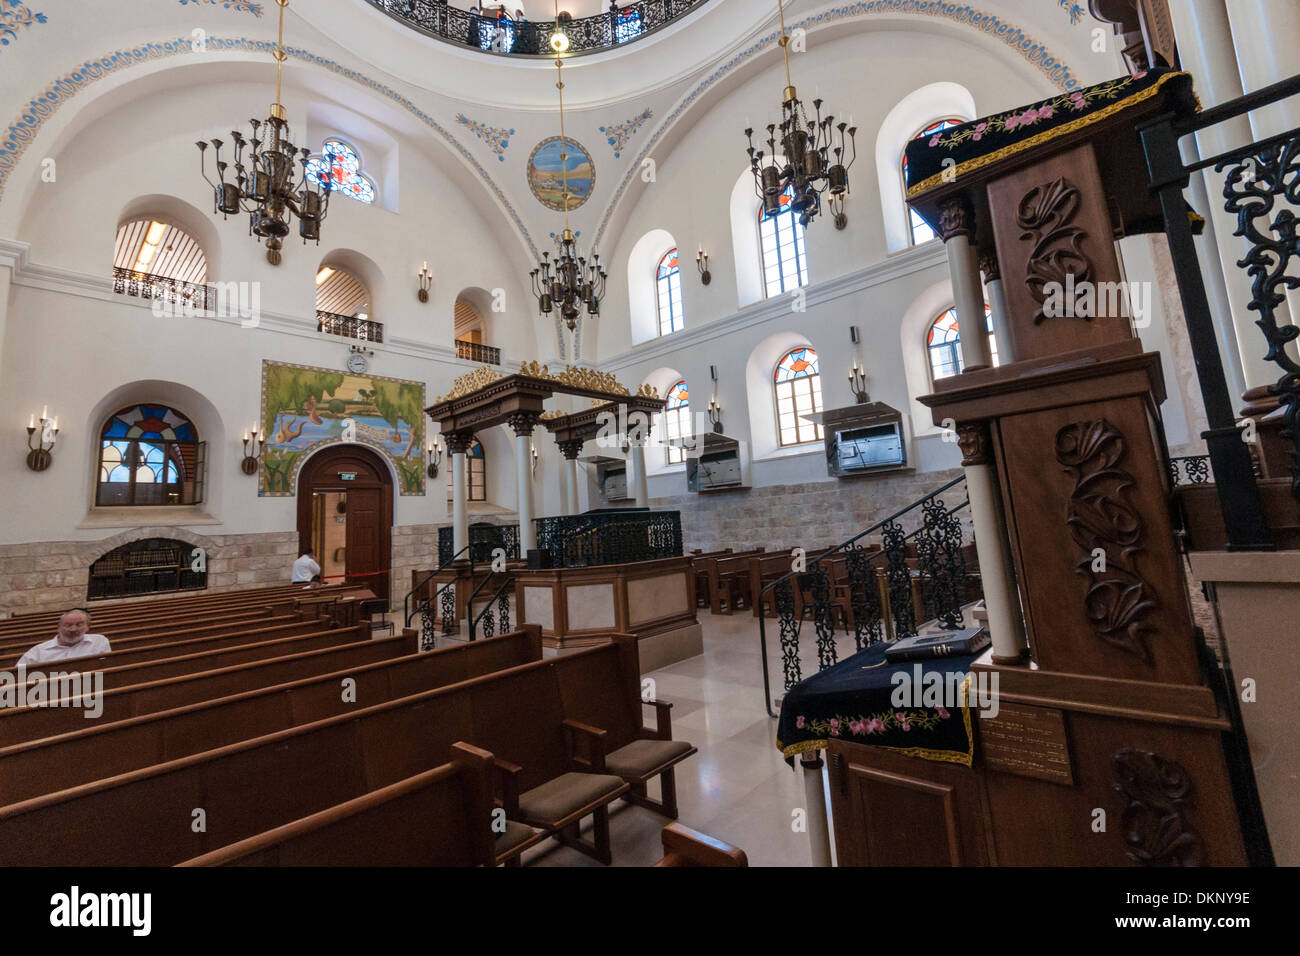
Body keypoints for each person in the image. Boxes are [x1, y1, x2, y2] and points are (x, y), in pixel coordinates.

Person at [16, 609, 111, 668]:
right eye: (68, 625)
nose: (73, 629)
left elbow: (108, 668)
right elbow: (18, 675)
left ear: (88, 626)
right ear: (59, 627)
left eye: (79, 625)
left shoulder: (100, 641)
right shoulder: (38, 651)